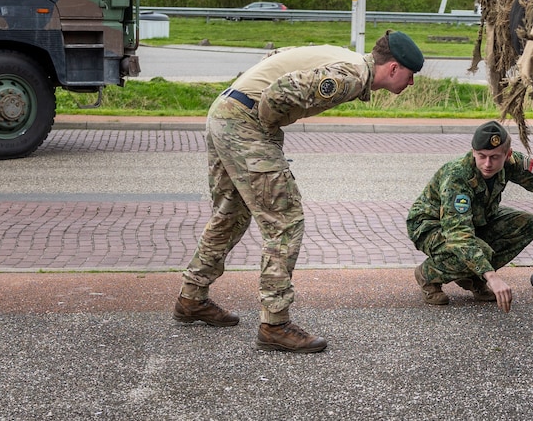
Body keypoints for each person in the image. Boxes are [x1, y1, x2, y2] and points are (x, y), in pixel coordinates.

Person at [174, 30, 424, 353]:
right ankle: (275, 324)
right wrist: (265, 126)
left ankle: (191, 297)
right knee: (285, 221)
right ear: (392, 68)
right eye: (410, 75)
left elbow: (277, 55)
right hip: (245, 122)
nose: (411, 83)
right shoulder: (350, 77)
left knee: (231, 214)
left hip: (226, 111)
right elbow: (278, 93)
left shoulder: (347, 58)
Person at [407, 120, 533, 312]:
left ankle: (473, 278)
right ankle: (428, 275)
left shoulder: (513, 162)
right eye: (482, 156)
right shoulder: (457, 176)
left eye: (494, 157)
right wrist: (492, 276)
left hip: (476, 219)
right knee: (480, 251)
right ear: (473, 152)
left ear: (507, 154)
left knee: (528, 223)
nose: (487, 164)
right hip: (430, 226)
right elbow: (458, 234)